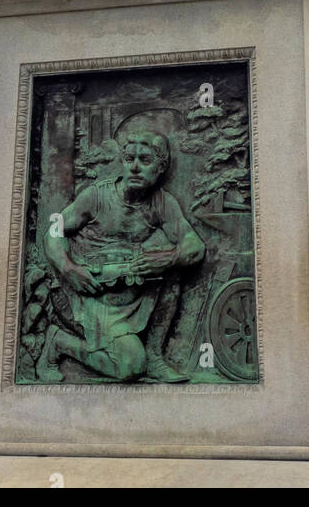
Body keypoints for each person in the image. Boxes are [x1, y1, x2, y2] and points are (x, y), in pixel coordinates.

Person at [40, 129, 204, 383]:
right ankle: (59, 342)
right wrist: (68, 267)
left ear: (161, 167)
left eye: (145, 161)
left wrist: (170, 257)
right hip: (93, 293)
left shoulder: (163, 203)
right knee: (130, 367)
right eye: (130, 159)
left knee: (174, 262)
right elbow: (54, 231)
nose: (135, 168)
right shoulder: (96, 196)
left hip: (133, 290)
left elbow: (195, 246)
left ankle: (155, 356)